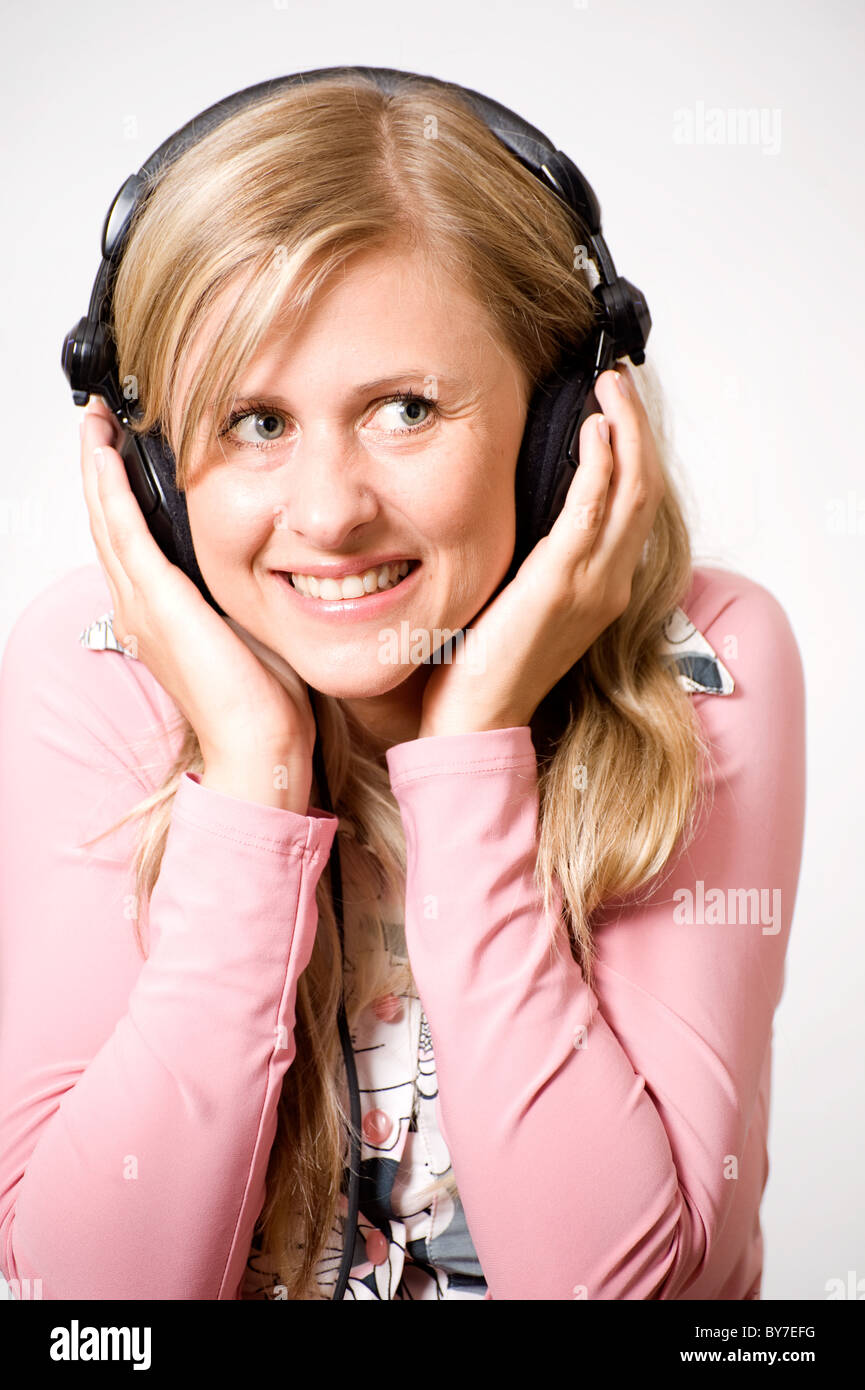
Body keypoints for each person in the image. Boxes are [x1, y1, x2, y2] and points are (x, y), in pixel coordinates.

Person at [0, 73, 805, 1301]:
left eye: (405, 409)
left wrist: (473, 746)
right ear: (153, 476)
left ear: (562, 430)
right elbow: (93, 1312)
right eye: (255, 423)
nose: (328, 513)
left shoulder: (700, 661)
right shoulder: (89, 667)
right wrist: (256, 781)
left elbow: (620, 1298)